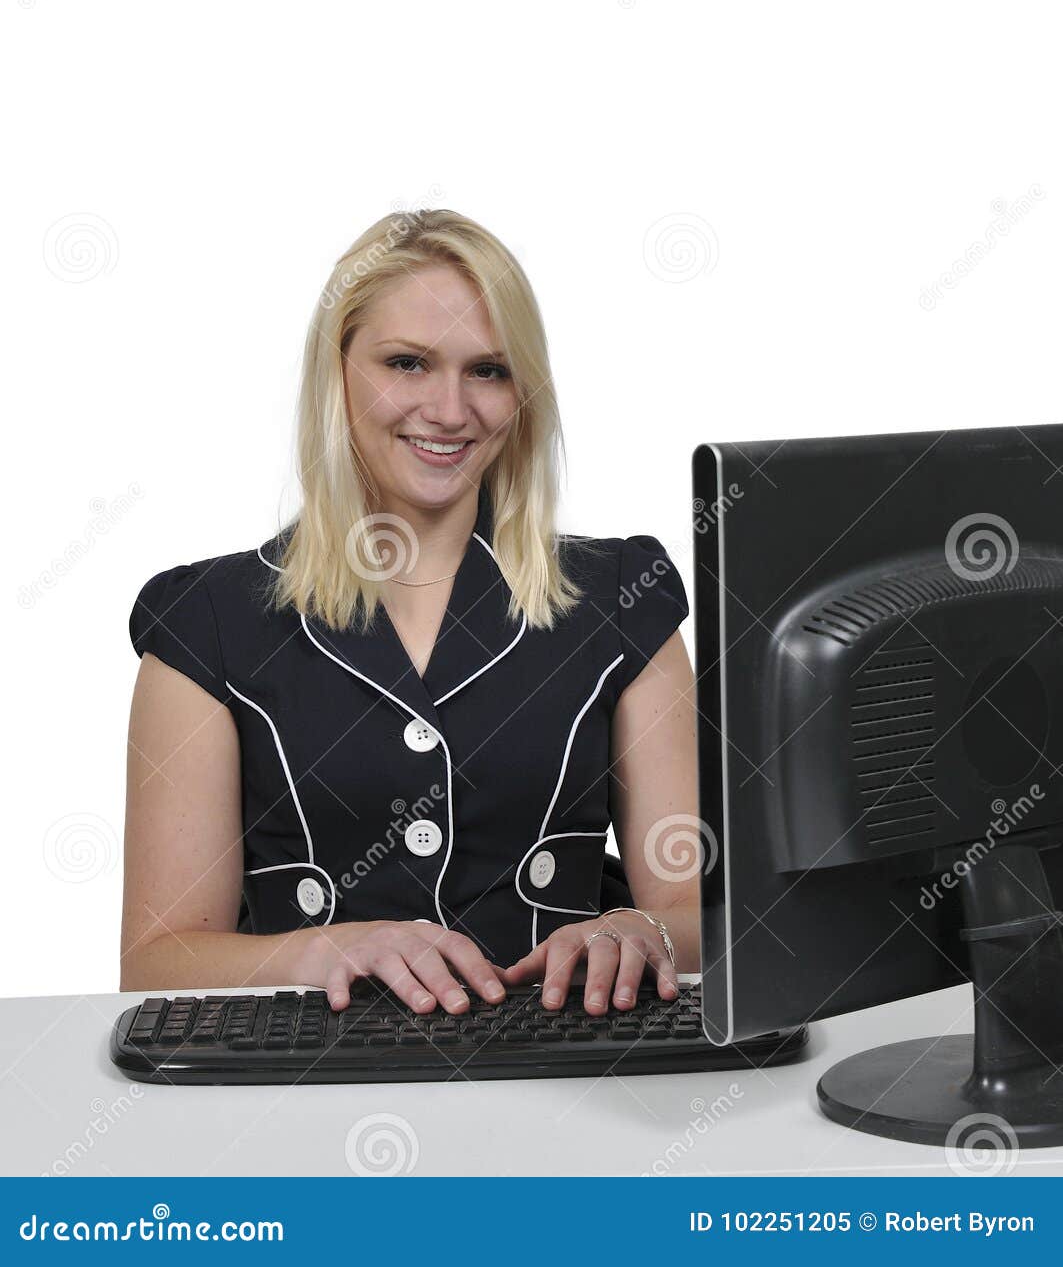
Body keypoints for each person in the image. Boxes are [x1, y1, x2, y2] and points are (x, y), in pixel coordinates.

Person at [120, 208, 701, 1018]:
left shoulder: (620, 603)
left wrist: (648, 932)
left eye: (489, 371)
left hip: (575, 1082)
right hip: (308, 1088)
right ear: (338, 371)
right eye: (408, 364)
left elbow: (705, 909)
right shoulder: (206, 627)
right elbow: (157, 963)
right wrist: (323, 948)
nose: (450, 409)